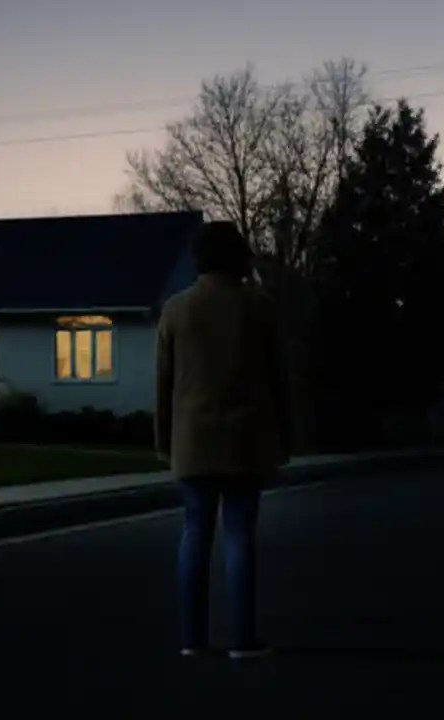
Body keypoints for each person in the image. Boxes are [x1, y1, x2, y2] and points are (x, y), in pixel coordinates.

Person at [155, 221, 290, 660]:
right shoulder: (259, 307)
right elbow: (278, 379)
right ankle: (242, 640)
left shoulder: (176, 310)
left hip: (192, 440)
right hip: (245, 441)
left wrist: (163, 441)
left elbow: (164, 383)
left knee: (195, 532)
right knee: (239, 534)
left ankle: (192, 638)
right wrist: (285, 437)